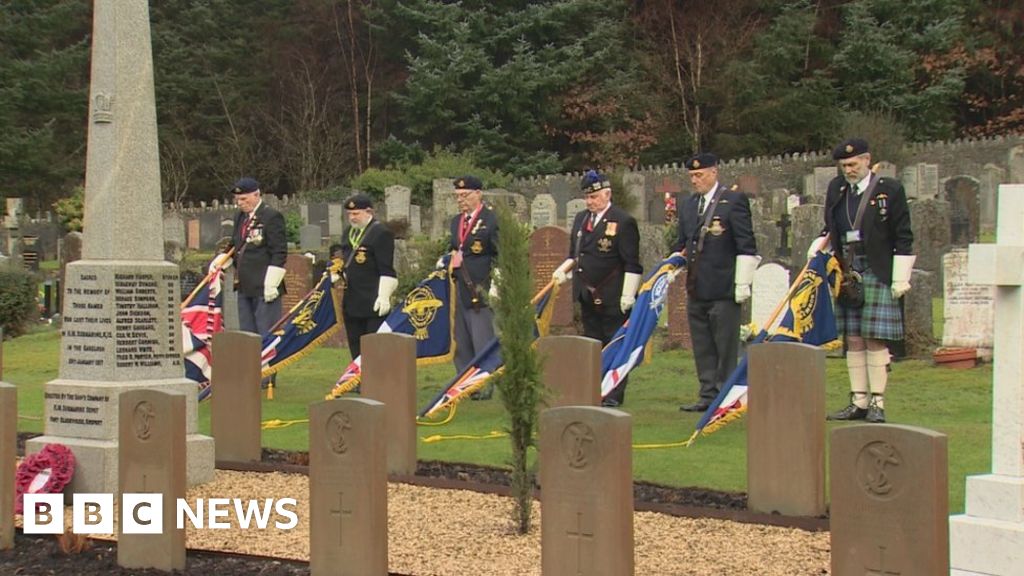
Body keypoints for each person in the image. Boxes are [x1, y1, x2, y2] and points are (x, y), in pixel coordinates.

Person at [815, 138, 914, 424]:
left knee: (874, 338)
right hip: (847, 271)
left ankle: (877, 402)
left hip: (877, 269)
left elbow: (903, 235)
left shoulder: (889, 190)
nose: (848, 169)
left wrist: (900, 277)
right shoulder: (837, 189)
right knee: (854, 338)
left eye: (853, 163)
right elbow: (830, 226)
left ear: (867, 160)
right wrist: (817, 248)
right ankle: (858, 401)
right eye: (844, 165)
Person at [675, 153, 759, 413]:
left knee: (725, 346)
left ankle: (726, 394)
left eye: (699, 175)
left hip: (723, 286)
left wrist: (742, 284)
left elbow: (746, 244)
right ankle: (707, 393)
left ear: (714, 172)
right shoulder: (689, 204)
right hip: (696, 286)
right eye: (692, 176)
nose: (695, 180)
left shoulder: (732, 201)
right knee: (703, 345)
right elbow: (682, 243)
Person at [552, 170, 641, 408]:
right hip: (586, 293)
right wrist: (563, 271)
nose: (590, 202)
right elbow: (576, 254)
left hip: (613, 295)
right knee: (593, 344)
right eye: (587, 197)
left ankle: (613, 392)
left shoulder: (623, 221)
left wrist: (628, 294)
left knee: (615, 344)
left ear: (607, 194)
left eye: (594, 197)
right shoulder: (582, 219)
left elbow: (632, 262)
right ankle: (595, 388)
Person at [448, 176, 500, 398]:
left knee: (482, 339)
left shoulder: (491, 220)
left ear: (478, 193)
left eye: (465, 195)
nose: (461, 200)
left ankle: (484, 384)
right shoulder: (456, 221)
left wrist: (497, 283)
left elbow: (500, 254)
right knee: (461, 341)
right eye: (458, 196)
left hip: (481, 288)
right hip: (459, 287)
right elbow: (455, 248)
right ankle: (465, 384)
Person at [218, 177, 288, 338]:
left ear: (256, 195)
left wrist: (272, 282)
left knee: (266, 335)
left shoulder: (271, 216)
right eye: (237, 199)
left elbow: (279, 251)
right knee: (247, 337)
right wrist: (221, 261)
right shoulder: (240, 217)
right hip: (244, 285)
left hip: (265, 286)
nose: (240, 203)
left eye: (244, 199)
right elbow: (236, 243)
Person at [339, 193, 397, 361]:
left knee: (374, 347)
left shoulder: (381, 233)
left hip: (373, 299)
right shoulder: (348, 233)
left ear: (368, 212)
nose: (352, 217)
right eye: (349, 214)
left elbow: (386, 268)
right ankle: (358, 375)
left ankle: (376, 375)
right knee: (355, 345)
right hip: (352, 299)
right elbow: (345, 260)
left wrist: (384, 296)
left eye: (356, 213)